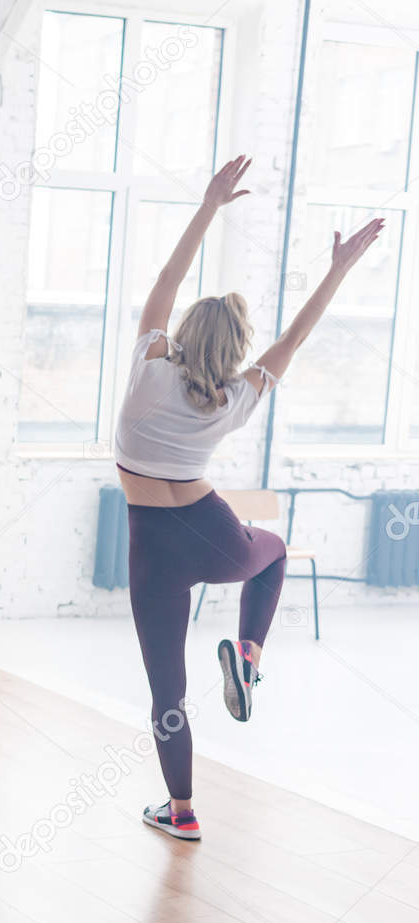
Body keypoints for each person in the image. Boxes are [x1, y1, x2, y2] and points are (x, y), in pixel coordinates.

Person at [115, 154, 383, 842]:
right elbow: (297, 336)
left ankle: (181, 812)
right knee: (275, 554)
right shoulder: (235, 399)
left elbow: (168, 279)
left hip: (153, 551)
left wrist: (208, 205)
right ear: (235, 350)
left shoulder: (148, 369)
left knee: (168, 695)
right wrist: (340, 269)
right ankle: (249, 656)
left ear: (180, 337)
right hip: (214, 533)